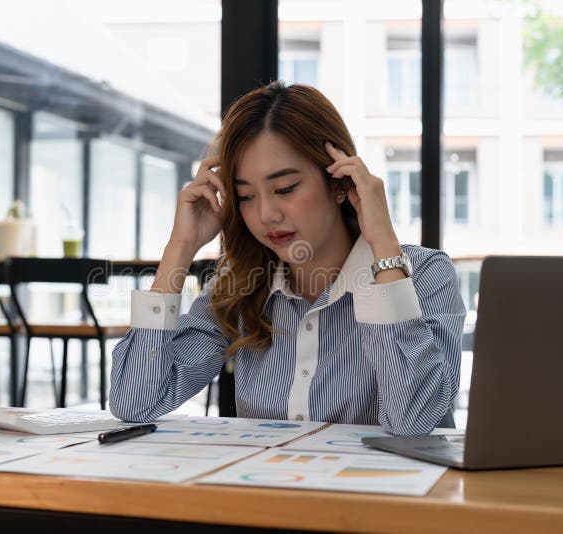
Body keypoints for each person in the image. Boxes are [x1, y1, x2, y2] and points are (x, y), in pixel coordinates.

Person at [109, 82, 465, 436]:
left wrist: (385, 245)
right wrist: (180, 248)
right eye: (246, 196)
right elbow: (135, 402)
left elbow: (413, 422)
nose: (266, 214)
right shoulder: (241, 283)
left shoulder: (424, 276)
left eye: (284, 189)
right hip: (269, 487)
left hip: (378, 493)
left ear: (341, 183)